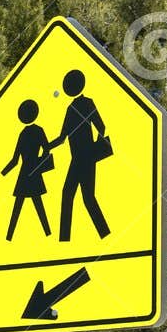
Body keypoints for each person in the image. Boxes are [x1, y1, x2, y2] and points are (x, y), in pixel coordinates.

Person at [47, 69, 111, 242]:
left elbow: (101, 127)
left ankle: (104, 236)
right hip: (78, 159)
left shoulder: (86, 104)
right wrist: (46, 146)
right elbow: (62, 138)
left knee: (85, 198)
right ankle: (65, 240)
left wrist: (94, 150)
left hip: (85, 158)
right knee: (71, 195)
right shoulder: (71, 108)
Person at [0, 99, 53, 240]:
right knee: (35, 205)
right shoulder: (37, 131)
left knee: (22, 206)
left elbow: (15, 161)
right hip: (32, 172)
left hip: (25, 173)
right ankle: (47, 234)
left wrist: (3, 173)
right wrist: (1, 174)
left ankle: (9, 237)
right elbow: (46, 150)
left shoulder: (23, 133)